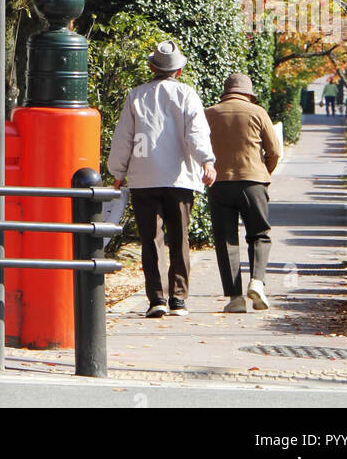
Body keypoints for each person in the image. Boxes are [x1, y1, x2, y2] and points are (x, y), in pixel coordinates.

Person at [108, 39, 216, 319]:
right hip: (180, 178)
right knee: (179, 239)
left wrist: (117, 172)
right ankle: (178, 299)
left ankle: (157, 298)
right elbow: (196, 133)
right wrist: (207, 160)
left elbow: (124, 138)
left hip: (144, 177)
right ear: (178, 71)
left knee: (151, 240)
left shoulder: (137, 96)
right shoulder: (187, 95)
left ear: (151, 66)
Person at [204, 72, 282, 313]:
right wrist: (263, 172)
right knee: (259, 233)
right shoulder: (258, 112)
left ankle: (235, 298)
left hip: (220, 183)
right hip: (253, 182)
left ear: (225, 92)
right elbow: (275, 151)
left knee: (226, 240)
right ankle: (257, 281)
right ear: (249, 93)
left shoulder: (209, 113)